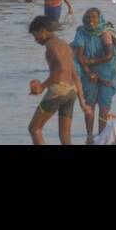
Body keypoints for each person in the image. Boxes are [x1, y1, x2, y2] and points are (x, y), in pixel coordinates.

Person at [27, 15, 92, 145]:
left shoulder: (51, 45)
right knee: (65, 135)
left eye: (35, 35)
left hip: (59, 91)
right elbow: (74, 75)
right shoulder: (65, 45)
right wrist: (82, 102)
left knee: (35, 128)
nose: (35, 40)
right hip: (71, 92)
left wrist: (42, 86)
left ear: (43, 31)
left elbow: (61, 68)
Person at [71, 8, 116, 144]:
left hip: (107, 74)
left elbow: (109, 56)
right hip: (88, 74)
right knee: (89, 106)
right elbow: (79, 56)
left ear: (99, 19)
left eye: (93, 17)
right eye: (87, 17)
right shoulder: (81, 33)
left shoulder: (105, 34)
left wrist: (92, 61)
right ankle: (89, 136)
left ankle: (102, 137)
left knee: (104, 108)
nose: (90, 20)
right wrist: (89, 72)